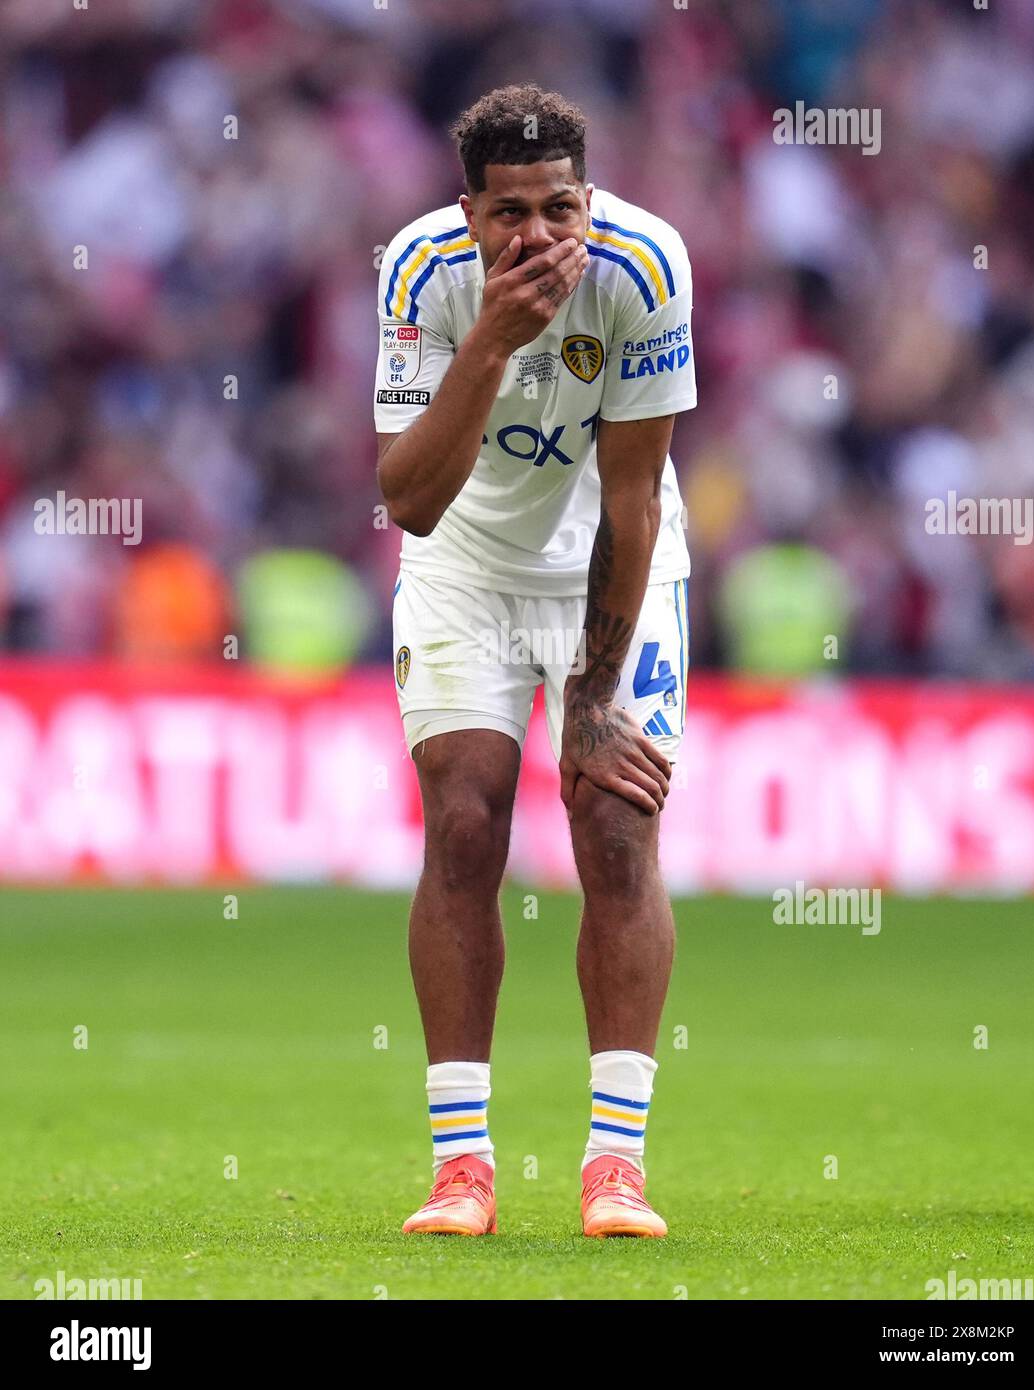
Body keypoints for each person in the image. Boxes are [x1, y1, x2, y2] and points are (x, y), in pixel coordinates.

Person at [374, 83, 696, 1238]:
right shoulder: (418, 273)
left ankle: (615, 1165)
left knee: (613, 828)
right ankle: (462, 1166)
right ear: (469, 213)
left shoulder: (643, 267)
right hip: (463, 558)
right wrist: (492, 343)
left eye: (560, 206)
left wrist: (594, 694)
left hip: (611, 563)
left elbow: (631, 499)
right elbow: (408, 499)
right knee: (464, 823)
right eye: (510, 213)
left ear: (586, 194)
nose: (540, 237)